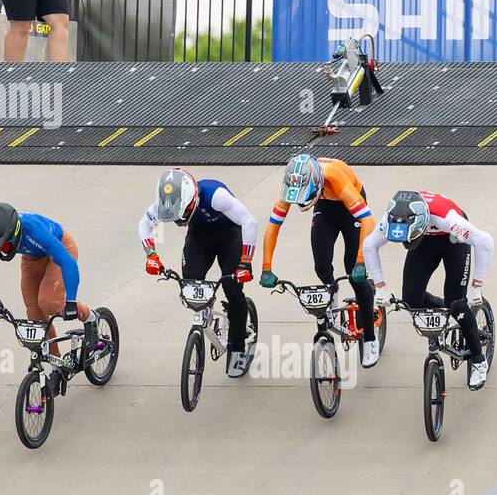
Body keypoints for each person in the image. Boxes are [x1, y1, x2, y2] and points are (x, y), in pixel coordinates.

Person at [259, 154, 382, 367]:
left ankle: (370, 338)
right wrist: (266, 267)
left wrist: (361, 261)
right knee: (321, 263)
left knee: (353, 271)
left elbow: (367, 220)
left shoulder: (336, 178)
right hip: (324, 206)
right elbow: (273, 226)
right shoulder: (294, 181)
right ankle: (331, 293)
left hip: (348, 207)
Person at [365, 190, 494, 389]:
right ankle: (445, 307)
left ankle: (478, 360)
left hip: (452, 240)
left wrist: (476, 285)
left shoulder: (449, 219)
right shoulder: (393, 217)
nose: (405, 245)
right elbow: (369, 245)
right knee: (411, 299)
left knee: (457, 302)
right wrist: (380, 286)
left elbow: (484, 241)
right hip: (424, 239)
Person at [138, 168, 259, 377]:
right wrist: (151, 255)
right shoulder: (168, 199)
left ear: (193, 199)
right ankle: (209, 312)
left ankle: (237, 348)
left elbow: (250, 222)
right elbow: (144, 223)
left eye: (183, 214)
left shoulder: (216, 196)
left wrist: (245, 264)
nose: (178, 221)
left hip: (229, 236)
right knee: (191, 281)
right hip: (199, 237)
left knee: (232, 287)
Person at [0, 203, 97, 358]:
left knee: (49, 302)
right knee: (34, 314)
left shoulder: (34, 230)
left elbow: (67, 262)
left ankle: (91, 318)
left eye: (2, 246)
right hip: (32, 257)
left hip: (60, 249)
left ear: (14, 233)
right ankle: (56, 363)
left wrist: (71, 301)